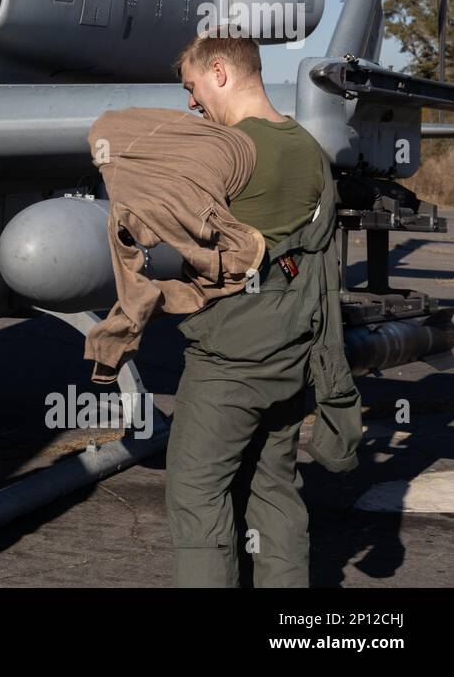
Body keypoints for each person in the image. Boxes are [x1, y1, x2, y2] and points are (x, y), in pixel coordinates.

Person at [168, 32, 330, 587]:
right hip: (289, 354)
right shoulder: (308, 149)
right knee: (276, 494)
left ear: (219, 72)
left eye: (192, 86)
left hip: (227, 361)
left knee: (197, 496)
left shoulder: (226, 152)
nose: (192, 101)